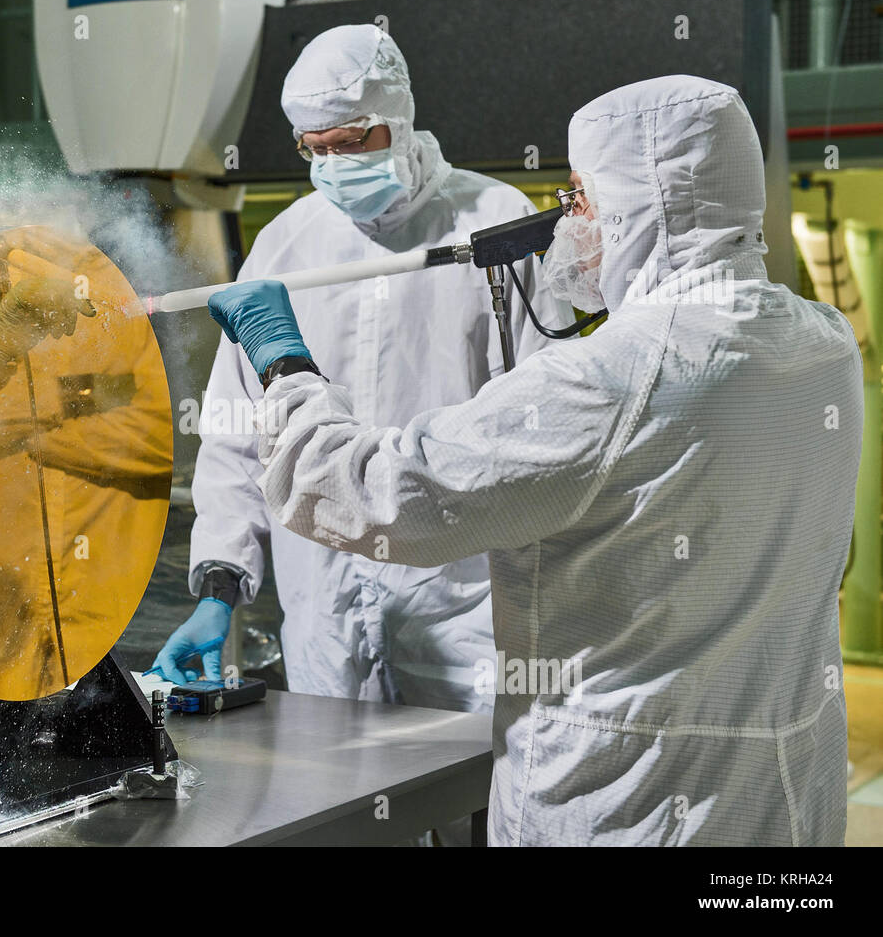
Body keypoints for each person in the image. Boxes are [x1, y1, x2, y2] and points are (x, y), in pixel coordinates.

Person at [204, 74, 861, 846]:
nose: (567, 219)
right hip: (781, 799)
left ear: (638, 201)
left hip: (630, 804)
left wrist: (283, 365)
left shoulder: (607, 379)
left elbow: (373, 495)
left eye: (580, 196)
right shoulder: (822, 344)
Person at [153, 24, 572, 713]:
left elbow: (541, 428)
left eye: (351, 142)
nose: (334, 163)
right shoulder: (286, 246)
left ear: (397, 121)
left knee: (474, 796)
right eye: (316, 150)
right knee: (344, 799)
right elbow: (239, 435)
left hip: (461, 606)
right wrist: (220, 589)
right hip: (323, 607)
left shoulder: (494, 225)